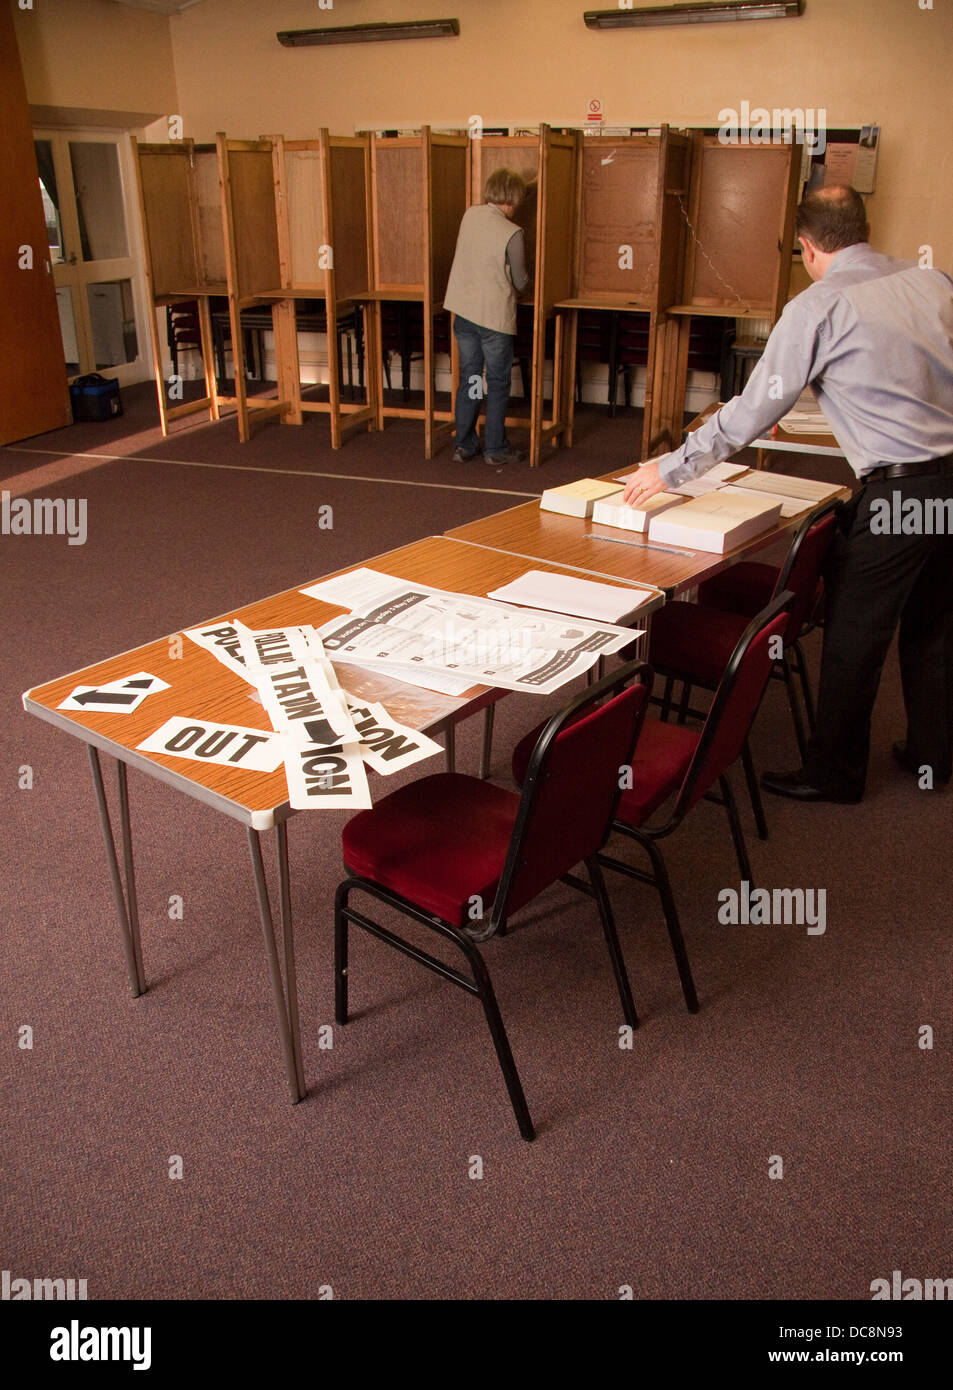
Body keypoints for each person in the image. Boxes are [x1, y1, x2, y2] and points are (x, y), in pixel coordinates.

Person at [622, 185, 953, 804]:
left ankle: (835, 773)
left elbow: (748, 414)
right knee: (935, 623)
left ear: (805, 245)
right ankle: (934, 754)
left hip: (900, 496)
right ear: (863, 228)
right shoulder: (933, 281)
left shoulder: (817, 306)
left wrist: (669, 469)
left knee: (856, 632)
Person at [444, 168, 532, 466]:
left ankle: (464, 445)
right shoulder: (513, 233)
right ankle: (495, 448)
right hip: (494, 317)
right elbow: (520, 282)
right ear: (516, 197)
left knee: (470, 377)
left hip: (464, 313)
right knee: (496, 383)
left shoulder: (470, 215)